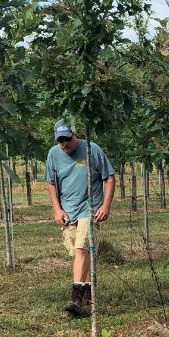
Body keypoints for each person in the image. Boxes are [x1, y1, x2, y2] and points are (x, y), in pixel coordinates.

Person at [44, 120, 115, 316]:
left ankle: (75, 297)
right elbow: (51, 183)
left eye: (67, 139)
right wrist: (57, 209)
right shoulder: (53, 154)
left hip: (89, 208)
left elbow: (109, 177)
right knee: (79, 254)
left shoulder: (92, 149)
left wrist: (105, 206)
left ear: (75, 135)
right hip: (68, 211)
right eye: (60, 140)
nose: (64, 144)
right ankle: (89, 293)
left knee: (82, 248)